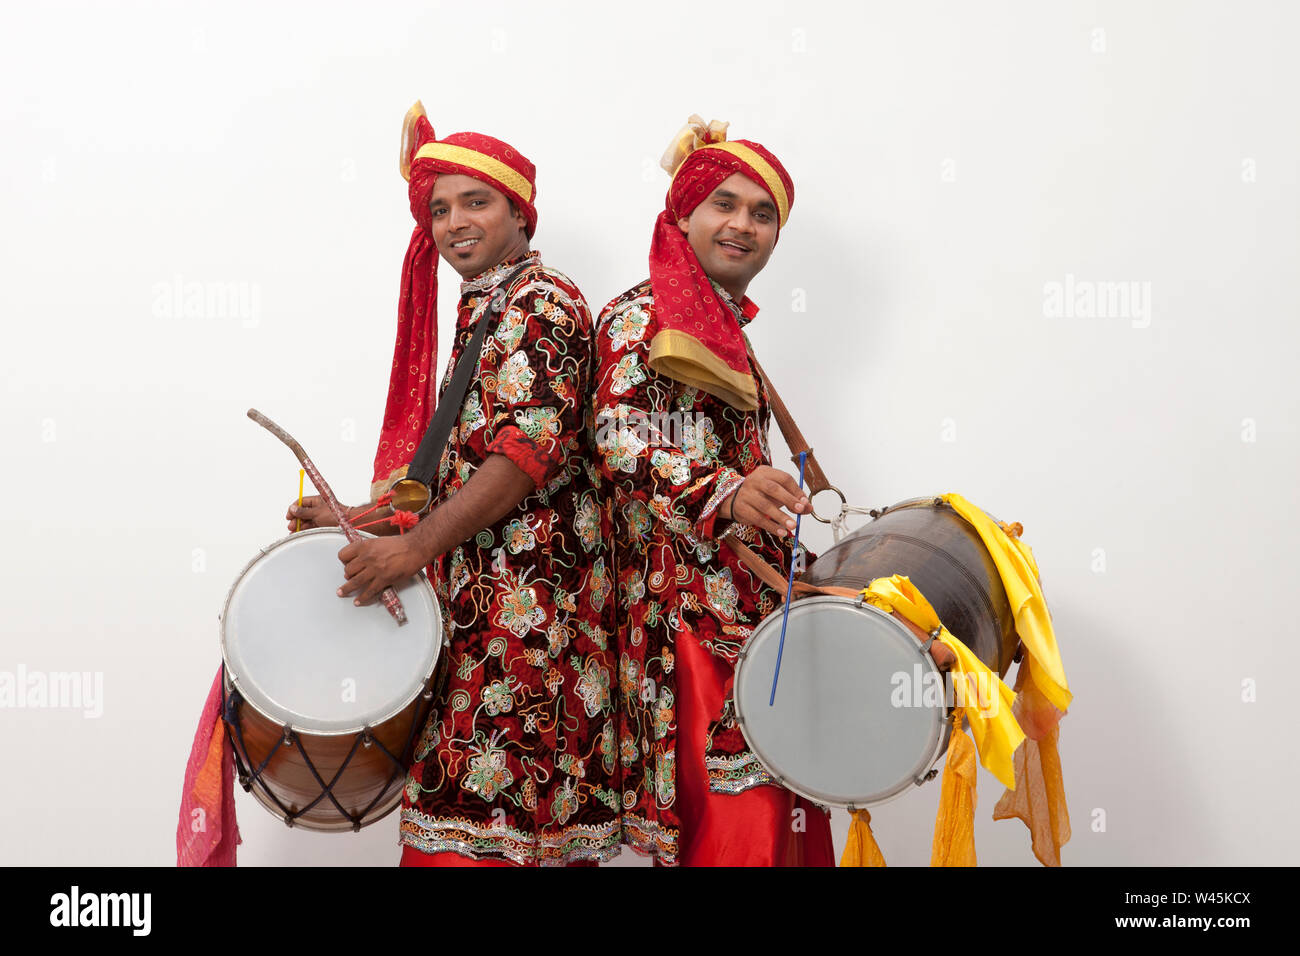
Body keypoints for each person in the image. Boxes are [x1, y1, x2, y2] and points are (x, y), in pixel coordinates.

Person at [291, 102, 620, 866]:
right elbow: (460, 467)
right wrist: (362, 519)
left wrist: (408, 555)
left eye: (476, 201)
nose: (453, 222)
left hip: (531, 623)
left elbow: (522, 457)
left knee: (489, 844)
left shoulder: (543, 304)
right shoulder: (488, 309)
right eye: (439, 208)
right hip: (482, 615)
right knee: (468, 836)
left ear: (520, 213)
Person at [591, 116, 836, 866]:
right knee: (741, 829)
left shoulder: (721, 322)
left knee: (780, 811)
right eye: (724, 204)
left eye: (763, 213)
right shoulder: (643, 315)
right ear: (684, 214)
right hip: (686, 623)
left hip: (748, 608)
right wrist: (724, 491)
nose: (743, 225)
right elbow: (615, 435)